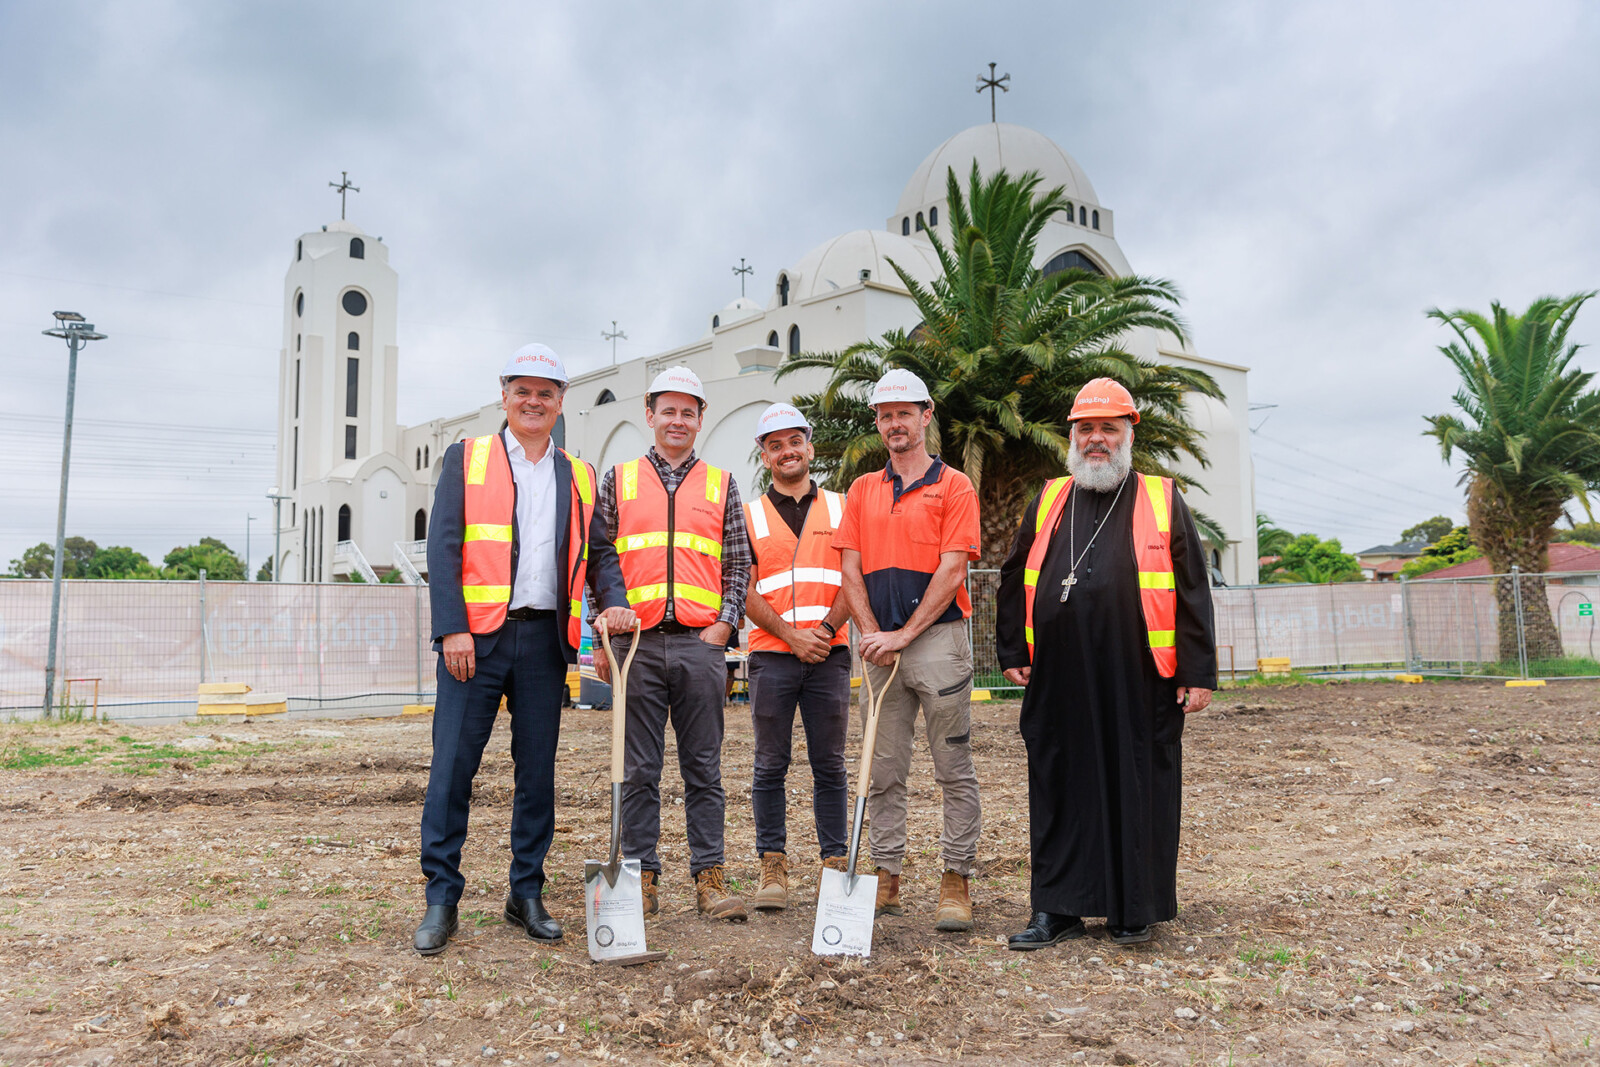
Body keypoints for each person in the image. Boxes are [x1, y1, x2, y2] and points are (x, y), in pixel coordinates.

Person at [415, 343, 634, 956]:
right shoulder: (468, 458)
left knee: (536, 773)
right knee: (453, 767)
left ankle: (525, 893)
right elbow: (444, 546)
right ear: (504, 395)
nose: (534, 402)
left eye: (546, 393)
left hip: (544, 641)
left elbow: (599, 554)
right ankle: (441, 897)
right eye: (523, 390)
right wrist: (452, 626)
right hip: (475, 641)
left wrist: (611, 601)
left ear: (560, 402)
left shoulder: (580, 473)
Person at [995, 377, 1216, 949]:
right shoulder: (1048, 499)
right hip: (1059, 672)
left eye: (1108, 429)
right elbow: (1015, 575)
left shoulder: (1162, 498)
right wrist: (1013, 651)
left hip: (1140, 673)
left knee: (1136, 780)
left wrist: (1196, 671)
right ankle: (1057, 908)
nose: (1096, 439)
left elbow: (1193, 587)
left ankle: (1130, 908)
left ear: (1128, 434)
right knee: (1058, 783)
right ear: (1072, 436)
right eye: (1086, 429)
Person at [596, 365, 752, 921]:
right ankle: (641, 880)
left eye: (689, 411)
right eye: (669, 410)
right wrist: (600, 629)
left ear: (701, 418)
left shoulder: (722, 483)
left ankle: (709, 879)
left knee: (703, 768)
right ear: (650, 414)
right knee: (638, 769)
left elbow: (738, 563)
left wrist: (725, 626)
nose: (678, 420)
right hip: (634, 646)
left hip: (699, 646)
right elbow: (600, 558)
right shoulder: (617, 480)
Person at [832, 369, 983, 932]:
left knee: (953, 767)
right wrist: (873, 634)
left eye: (905, 412)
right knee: (882, 770)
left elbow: (952, 570)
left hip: (938, 643)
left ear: (926, 415)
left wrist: (902, 636)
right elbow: (849, 568)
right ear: (877, 423)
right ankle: (885, 880)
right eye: (885, 414)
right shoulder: (863, 490)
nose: (895, 423)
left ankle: (955, 879)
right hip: (878, 650)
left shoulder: (955, 487)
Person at [741, 403, 853, 910]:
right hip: (772, 655)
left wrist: (825, 630)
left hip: (830, 653)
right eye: (775, 444)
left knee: (829, 764)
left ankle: (834, 863)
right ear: (765, 455)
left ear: (810, 447)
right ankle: (773, 865)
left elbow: (857, 577)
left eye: (795, 442)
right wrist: (791, 634)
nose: (787, 451)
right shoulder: (748, 515)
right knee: (770, 764)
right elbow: (741, 588)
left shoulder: (843, 507)